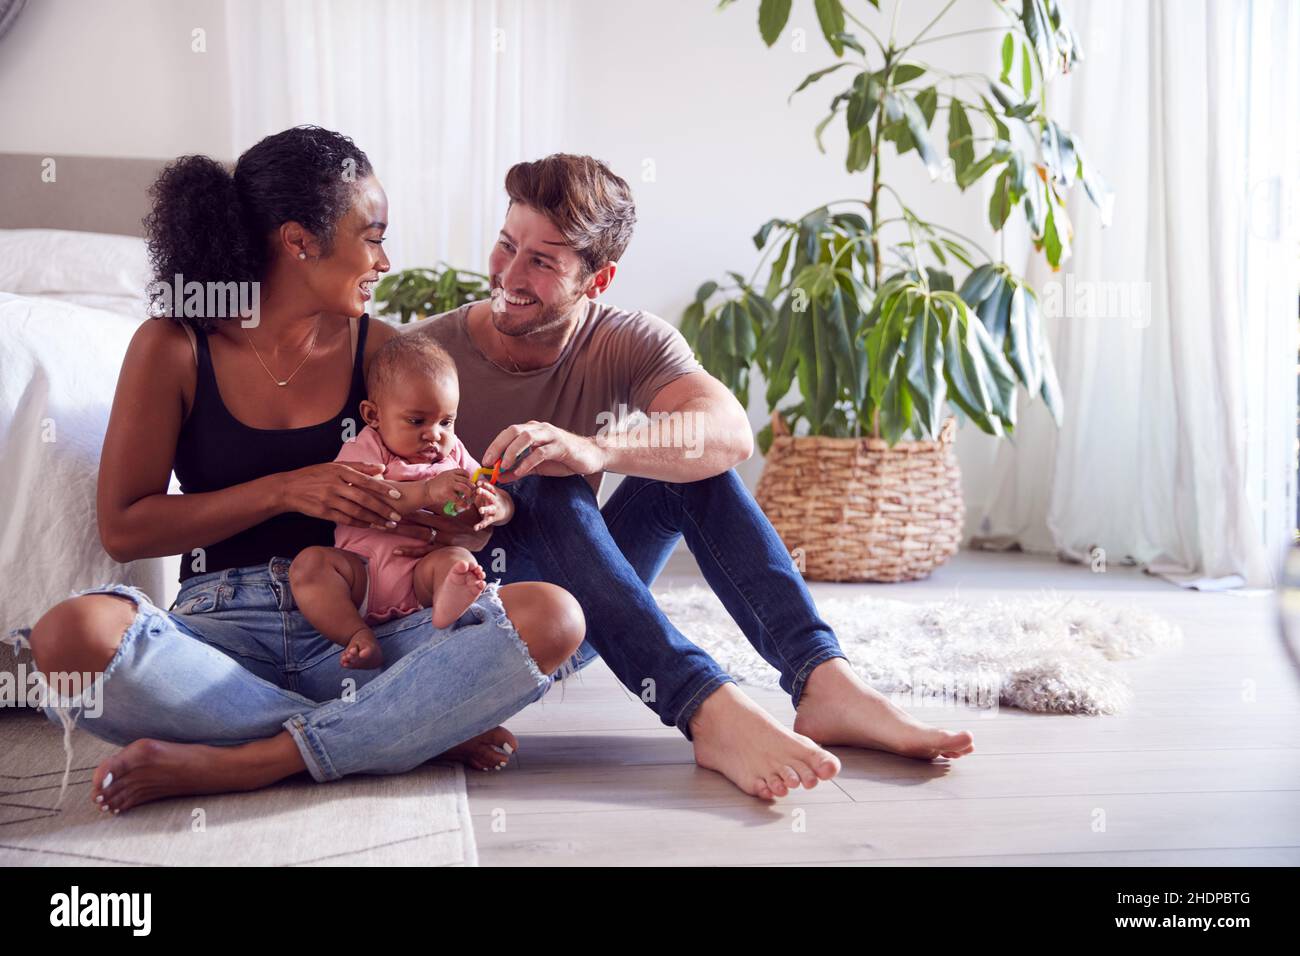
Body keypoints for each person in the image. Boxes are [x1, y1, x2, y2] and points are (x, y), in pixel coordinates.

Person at [17, 127, 584, 815]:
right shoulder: (173, 347)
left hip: (367, 629)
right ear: (298, 241)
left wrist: (455, 507)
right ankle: (395, 728)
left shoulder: (383, 352)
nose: (385, 259)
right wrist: (286, 488)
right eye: (371, 237)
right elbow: (125, 527)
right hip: (219, 639)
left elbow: (453, 510)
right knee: (69, 638)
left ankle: (252, 759)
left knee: (552, 616)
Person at [405, 153, 975, 801]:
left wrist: (596, 449)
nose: (508, 274)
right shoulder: (424, 355)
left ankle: (823, 681)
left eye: (542, 261)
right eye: (506, 246)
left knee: (683, 467)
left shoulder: (625, 338)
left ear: (599, 279)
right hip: (490, 625)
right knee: (545, 480)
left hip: (592, 615)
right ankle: (707, 709)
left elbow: (728, 433)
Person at [289, 335, 511, 668]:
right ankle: (356, 635)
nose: (434, 434)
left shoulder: (453, 453)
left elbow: (486, 487)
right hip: (360, 576)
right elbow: (361, 497)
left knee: (458, 560)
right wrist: (426, 492)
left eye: (446, 422)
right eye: (416, 421)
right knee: (310, 565)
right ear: (373, 415)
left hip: (421, 575)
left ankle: (446, 605)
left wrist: (495, 505)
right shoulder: (366, 448)